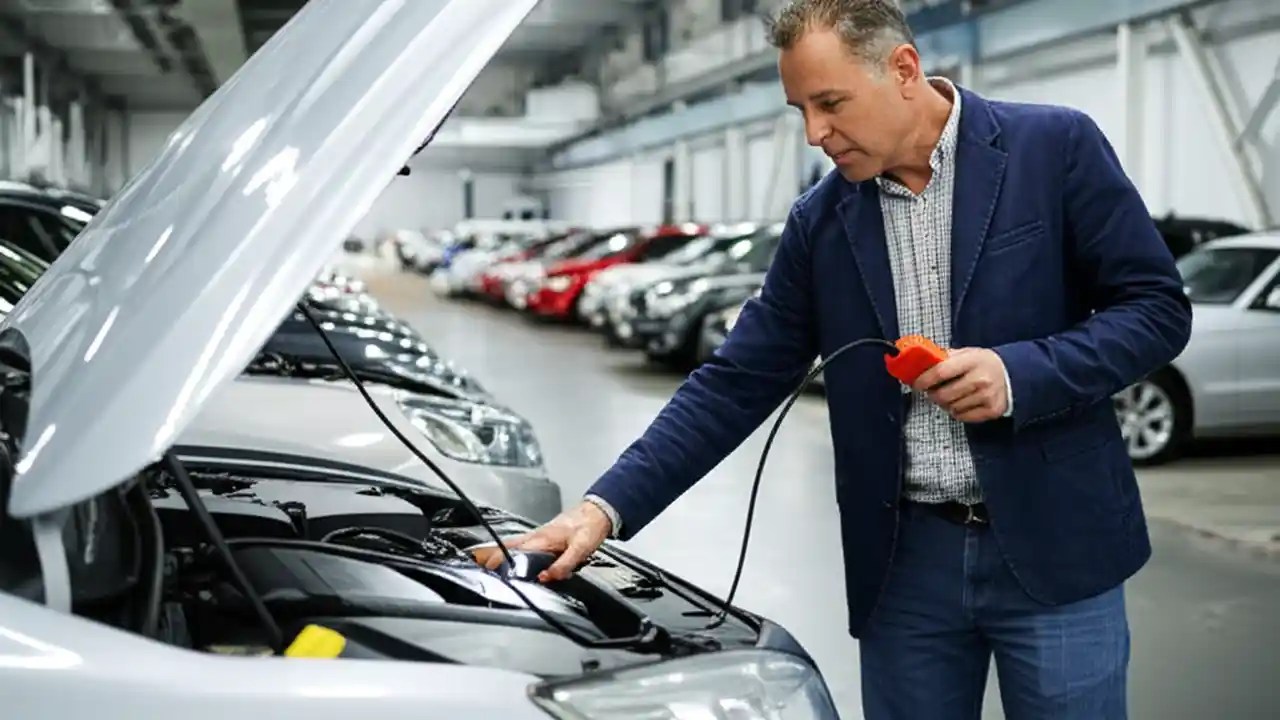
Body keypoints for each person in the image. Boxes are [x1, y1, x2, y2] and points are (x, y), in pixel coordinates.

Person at [476, 0, 1192, 717]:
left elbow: (1156, 309)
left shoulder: (1053, 147)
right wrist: (602, 510)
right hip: (907, 564)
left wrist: (1018, 375)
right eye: (801, 110)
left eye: (831, 103)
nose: (816, 133)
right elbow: (735, 382)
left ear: (904, 70)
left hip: (1058, 544)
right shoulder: (820, 221)